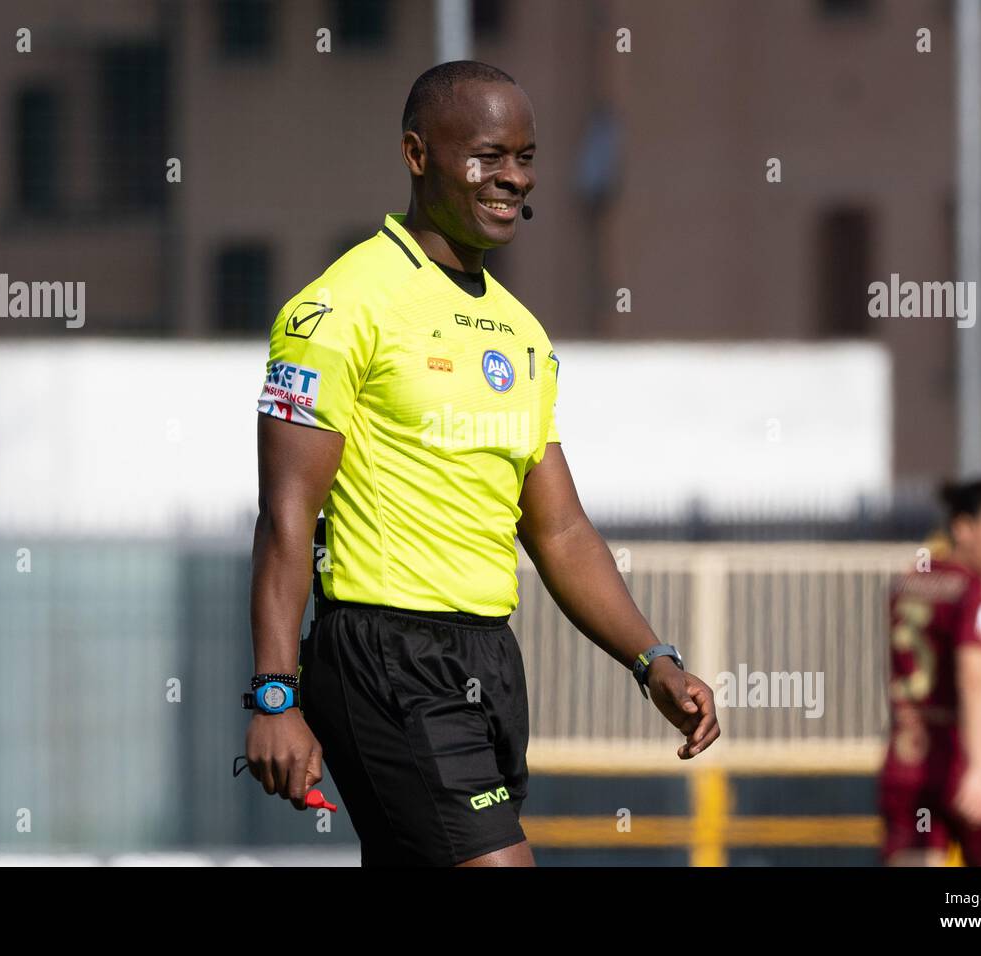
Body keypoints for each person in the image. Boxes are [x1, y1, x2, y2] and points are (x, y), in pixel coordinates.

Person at [242, 60, 720, 867]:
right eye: (487, 155)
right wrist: (273, 693)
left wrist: (653, 660)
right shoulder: (342, 307)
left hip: (489, 658)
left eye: (525, 158)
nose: (510, 178)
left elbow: (561, 529)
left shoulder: (521, 332)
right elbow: (287, 514)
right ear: (417, 154)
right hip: (384, 654)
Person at [879, 476, 981, 866]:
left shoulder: (909, 582)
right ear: (963, 529)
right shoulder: (977, 589)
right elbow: (974, 680)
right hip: (966, 765)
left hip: (909, 762)